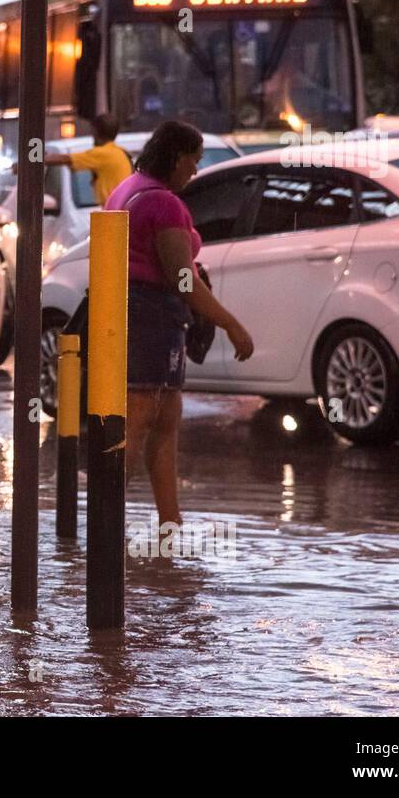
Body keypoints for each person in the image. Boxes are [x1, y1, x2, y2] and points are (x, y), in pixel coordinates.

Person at [103, 120, 254, 526]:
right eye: (193, 161)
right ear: (176, 157)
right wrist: (230, 323)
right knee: (140, 421)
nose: (195, 171)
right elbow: (182, 278)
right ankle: (108, 527)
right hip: (153, 317)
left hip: (127, 312)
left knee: (164, 418)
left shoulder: (125, 189)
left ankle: (170, 526)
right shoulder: (164, 203)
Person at [45, 112, 132, 206]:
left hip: (113, 212)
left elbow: (64, 159)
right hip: (123, 210)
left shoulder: (101, 153)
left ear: (96, 132)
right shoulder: (122, 152)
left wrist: (35, 156)